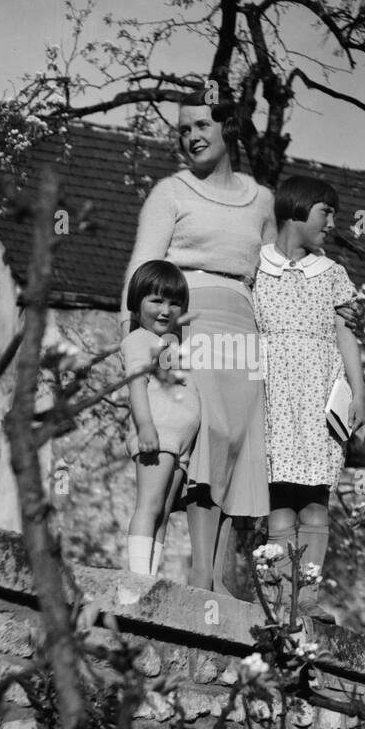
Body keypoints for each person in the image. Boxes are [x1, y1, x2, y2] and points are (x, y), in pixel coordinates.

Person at [120, 88, 276, 589]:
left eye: (201, 126)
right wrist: (139, 352)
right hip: (188, 325)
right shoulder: (171, 192)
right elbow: (141, 271)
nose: (191, 137)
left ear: (228, 128)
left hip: (246, 331)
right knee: (202, 446)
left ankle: (218, 575)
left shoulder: (262, 199)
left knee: (238, 447)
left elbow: (271, 276)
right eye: (183, 130)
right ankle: (194, 576)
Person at [253, 174, 365, 616]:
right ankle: (280, 600)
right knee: (280, 505)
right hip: (274, 400)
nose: (333, 221)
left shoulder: (333, 273)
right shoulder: (255, 267)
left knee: (316, 504)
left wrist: (359, 393)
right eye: (326, 211)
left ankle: (308, 599)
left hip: (319, 401)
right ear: (297, 210)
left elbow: (346, 333)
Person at [121, 260, 201, 576]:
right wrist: (145, 426)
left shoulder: (171, 344)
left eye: (173, 302)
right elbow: (136, 385)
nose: (165, 309)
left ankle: (151, 576)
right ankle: (139, 577)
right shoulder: (139, 339)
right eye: (156, 300)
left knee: (164, 512)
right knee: (150, 505)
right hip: (158, 434)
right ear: (136, 303)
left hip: (181, 443)